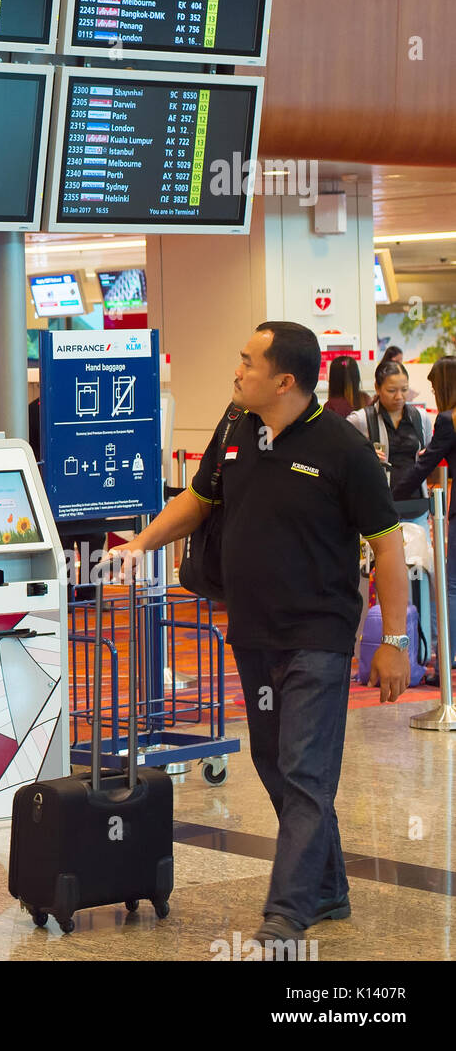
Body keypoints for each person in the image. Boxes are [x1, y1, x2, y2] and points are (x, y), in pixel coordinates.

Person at [108, 321, 408, 953]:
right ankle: (326, 887)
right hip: (252, 631)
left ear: (285, 380)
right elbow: (199, 497)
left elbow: (387, 545)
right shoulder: (235, 429)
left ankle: (286, 914)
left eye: (247, 362)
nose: (236, 371)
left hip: (318, 637)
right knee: (275, 766)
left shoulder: (342, 450)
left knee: (304, 772)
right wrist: (142, 543)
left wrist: (395, 641)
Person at [394, 357, 456, 664]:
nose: (431, 392)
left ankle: (449, 658)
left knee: (453, 586)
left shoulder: (448, 419)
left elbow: (423, 466)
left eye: (433, 386)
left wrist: (388, 498)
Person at [348, 360, 433, 504]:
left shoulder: (421, 417)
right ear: (377, 388)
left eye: (404, 389)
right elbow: (341, 455)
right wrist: (365, 456)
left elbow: (429, 455)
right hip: (378, 504)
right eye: (392, 391)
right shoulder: (360, 419)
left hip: (417, 503)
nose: (399, 396)